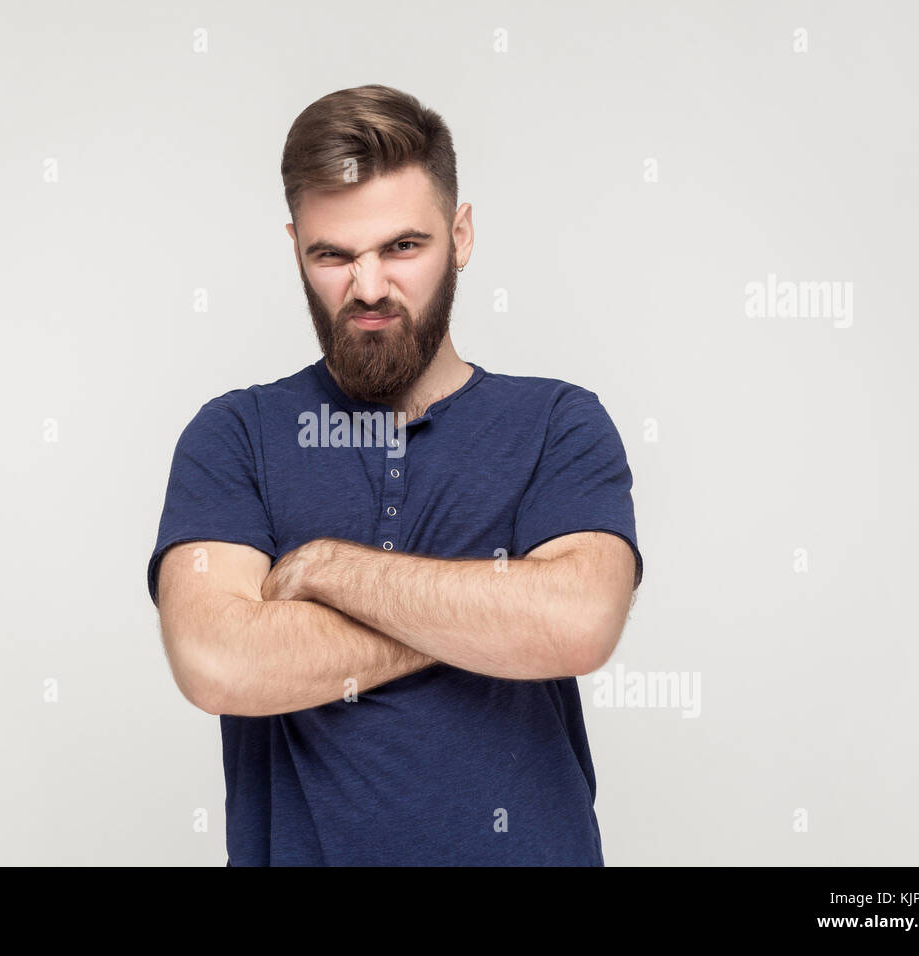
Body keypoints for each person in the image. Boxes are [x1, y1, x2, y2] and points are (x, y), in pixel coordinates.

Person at [148, 84, 643, 866]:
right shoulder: (236, 437)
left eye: (402, 248)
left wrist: (326, 568)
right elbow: (219, 663)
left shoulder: (556, 423)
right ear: (296, 247)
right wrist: (495, 612)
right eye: (333, 255)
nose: (370, 287)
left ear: (462, 233)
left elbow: (578, 622)